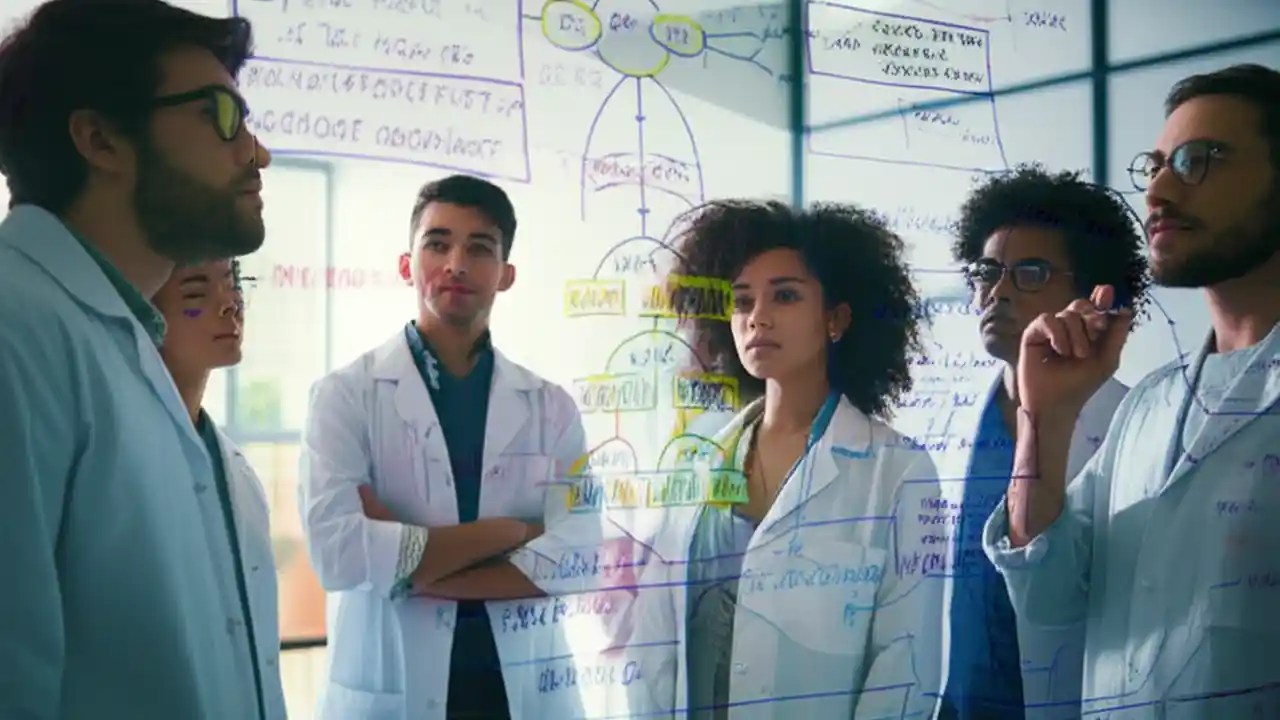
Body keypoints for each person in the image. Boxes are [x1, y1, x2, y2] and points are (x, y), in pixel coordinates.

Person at [983, 63, 1280, 719]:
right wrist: (1045, 420)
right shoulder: (1148, 406)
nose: (1158, 192)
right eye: (1157, 166)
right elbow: (1049, 598)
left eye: (1199, 160)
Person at [0, 0, 272, 716]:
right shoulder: (16, 326)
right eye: (221, 116)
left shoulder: (117, 339)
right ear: (100, 139)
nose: (256, 153)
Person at [297, 174, 589, 720]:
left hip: (519, 693)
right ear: (407, 264)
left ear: (506, 274)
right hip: (393, 692)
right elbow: (338, 554)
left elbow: (580, 559)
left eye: (479, 249)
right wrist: (513, 533)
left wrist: (407, 565)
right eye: (438, 244)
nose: (456, 263)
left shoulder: (551, 407)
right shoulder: (345, 396)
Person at [644, 199, 946, 718]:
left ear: (836, 319)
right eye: (742, 301)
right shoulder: (696, 462)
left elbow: (906, 667)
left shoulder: (900, 471)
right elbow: (654, 641)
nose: (757, 317)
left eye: (784, 296)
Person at [939, 165, 1150, 720]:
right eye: (987, 272)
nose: (998, 291)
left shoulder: (1136, 424)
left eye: (1030, 273)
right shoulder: (955, 425)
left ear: (1093, 295)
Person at [151, 258, 289, 720]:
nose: (229, 304)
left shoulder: (236, 471)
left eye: (235, 285)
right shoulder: (128, 460)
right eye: (196, 294)